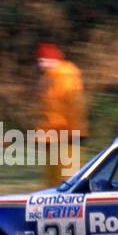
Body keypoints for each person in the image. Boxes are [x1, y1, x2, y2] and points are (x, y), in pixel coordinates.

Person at [36, 42, 87, 188]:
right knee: (52, 181)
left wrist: (73, 132)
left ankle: (70, 210)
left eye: (42, 60)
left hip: (66, 136)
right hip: (52, 137)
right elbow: (46, 111)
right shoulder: (48, 78)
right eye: (39, 60)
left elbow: (74, 107)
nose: (40, 64)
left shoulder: (66, 76)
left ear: (53, 60)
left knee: (69, 181)